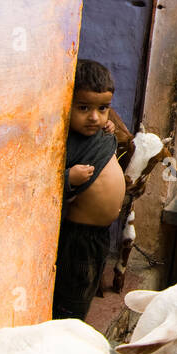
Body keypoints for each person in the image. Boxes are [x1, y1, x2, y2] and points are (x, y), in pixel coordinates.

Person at [54, 59, 128, 320]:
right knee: (71, 296)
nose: (94, 117)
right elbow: (43, 185)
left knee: (87, 289)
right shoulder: (64, 141)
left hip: (99, 235)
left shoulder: (98, 132)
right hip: (78, 238)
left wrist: (108, 129)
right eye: (83, 107)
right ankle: (63, 333)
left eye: (103, 108)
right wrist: (68, 178)